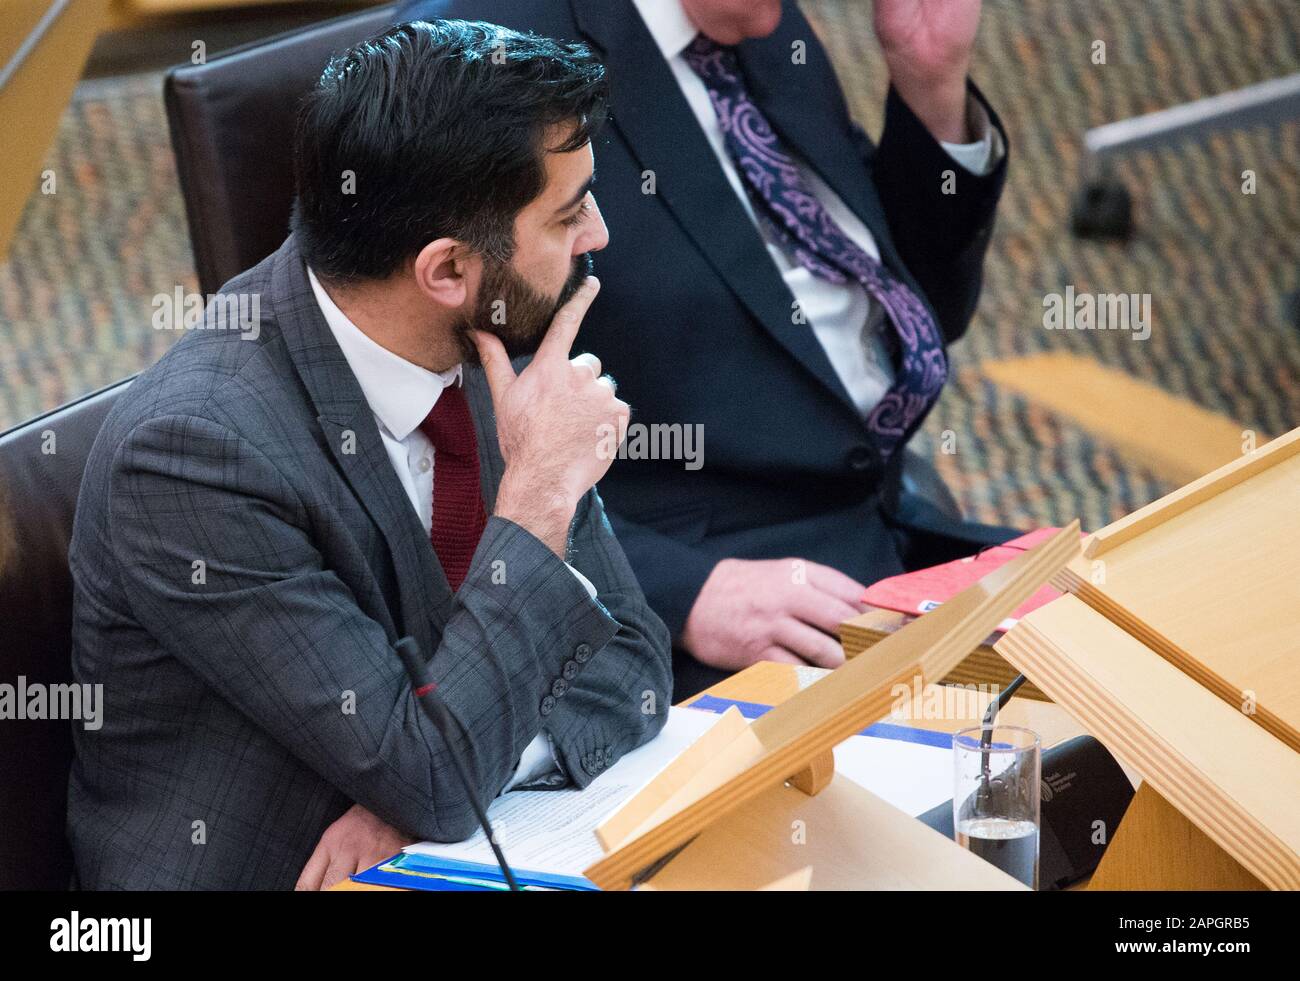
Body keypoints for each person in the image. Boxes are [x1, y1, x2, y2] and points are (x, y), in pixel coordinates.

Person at [66, 20, 671, 891]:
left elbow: (634, 662)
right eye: (570, 213)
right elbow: (435, 773)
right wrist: (537, 497)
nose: (599, 236)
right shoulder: (194, 457)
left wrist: (460, 767)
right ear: (446, 269)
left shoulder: (475, 335)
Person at [397, 0, 1015, 698]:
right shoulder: (486, 56)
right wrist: (682, 591)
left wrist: (930, 87)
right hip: (687, 594)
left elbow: (910, 310)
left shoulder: (753, 16)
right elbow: (415, 431)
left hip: (885, 527)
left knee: (1127, 680)